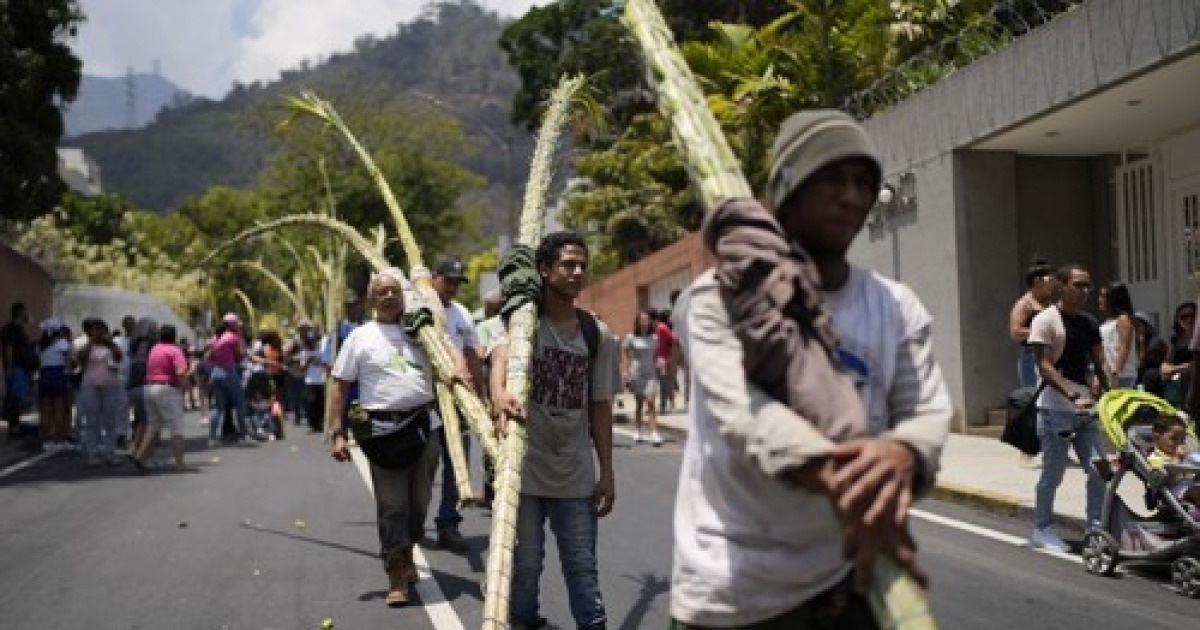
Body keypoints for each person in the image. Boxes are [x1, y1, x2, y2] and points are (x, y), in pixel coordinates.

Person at [669, 110, 951, 629]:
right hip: (733, 594)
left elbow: (926, 407)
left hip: (850, 580)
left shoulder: (895, 305)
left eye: (864, 182)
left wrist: (903, 451)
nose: (852, 196)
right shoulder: (716, 300)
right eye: (832, 178)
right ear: (786, 189)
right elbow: (743, 415)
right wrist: (848, 480)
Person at [491, 231, 619, 630]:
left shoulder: (597, 335)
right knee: (526, 566)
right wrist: (497, 394)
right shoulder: (524, 320)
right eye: (567, 264)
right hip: (524, 471)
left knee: (582, 567)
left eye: (582, 265)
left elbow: (600, 408)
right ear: (544, 270)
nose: (577, 272)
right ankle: (524, 621)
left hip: (575, 475)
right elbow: (500, 357)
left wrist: (607, 472)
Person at [328, 268, 440, 608]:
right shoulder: (360, 337)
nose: (389, 296)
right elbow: (340, 384)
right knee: (393, 506)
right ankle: (395, 573)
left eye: (395, 291)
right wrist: (337, 432)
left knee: (419, 504)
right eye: (382, 292)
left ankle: (406, 551)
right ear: (372, 300)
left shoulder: (422, 332)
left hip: (423, 427)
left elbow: (449, 362)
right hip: (381, 433)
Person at [1028, 263, 1112, 552]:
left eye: (1088, 285)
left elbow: (1100, 363)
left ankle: (1096, 529)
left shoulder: (1089, 322)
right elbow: (1043, 365)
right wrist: (1072, 395)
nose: (1084, 291)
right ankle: (1043, 528)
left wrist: (1111, 396)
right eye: (1078, 285)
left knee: (1100, 469)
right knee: (1054, 474)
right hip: (1055, 410)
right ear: (1061, 286)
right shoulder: (1045, 320)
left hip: (1085, 410)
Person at [429, 257, 482, 553]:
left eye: (457, 284)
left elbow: (472, 352)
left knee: (457, 462)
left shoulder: (461, 313)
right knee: (424, 465)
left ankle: (449, 523)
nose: (452, 289)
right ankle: (410, 524)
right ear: (434, 277)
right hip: (428, 398)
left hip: (458, 397)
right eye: (448, 281)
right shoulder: (419, 308)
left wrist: (480, 395)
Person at [132, 324, 192, 471]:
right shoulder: (175, 350)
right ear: (174, 336)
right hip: (167, 389)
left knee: (153, 426)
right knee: (176, 428)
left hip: (149, 387)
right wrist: (187, 387)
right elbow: (180, 372)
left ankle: (140, 457)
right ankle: (180, 463)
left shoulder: (155, 349)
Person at [76, 320, 125, 466]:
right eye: (95, 330)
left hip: (111, 385)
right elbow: (80, 358)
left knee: (110, 420)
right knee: (92, 420)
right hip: (90, 384)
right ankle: (92, 453)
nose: (98, 333)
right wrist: (91, 342)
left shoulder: (111, 346)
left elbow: (119, 357)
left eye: (101, 330)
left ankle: (110, 452)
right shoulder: (86, 346)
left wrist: (109, 343)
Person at [1008, 256, 1056, 388]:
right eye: (1050, 280)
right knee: (1033, 394)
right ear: (1038, 280)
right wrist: (1042, 332)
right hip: (1032, 355)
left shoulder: (1049, 303)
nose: (1053, 284)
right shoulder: (1024, 304)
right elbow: (1015, 332)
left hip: (1051, 354)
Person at [207, 314, 251, 447]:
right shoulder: (232, 337)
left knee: (218, 407)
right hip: (229, 372)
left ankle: (212, 438)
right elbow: (239, 355)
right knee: (239, 404)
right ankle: (243, 435)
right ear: (231, 324)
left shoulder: (215, 338)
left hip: (216, 373)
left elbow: (209, 356)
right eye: (236, 323)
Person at [623, 309, 663, 445]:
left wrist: (660, 363)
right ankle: (638, 430)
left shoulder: (655, 337)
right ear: (638, 322)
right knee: (639, 404)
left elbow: (657, 355)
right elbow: (627, 357)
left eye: (647, 319)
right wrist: (626, 374)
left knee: (651, 402)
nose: (645, 322)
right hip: (637, 372)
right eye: (642, 320)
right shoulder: (631, 337)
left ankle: (654, 432)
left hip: (651, 372)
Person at [2, 302, 38, 438]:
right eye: (25, 312)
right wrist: (10, 366)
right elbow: (9, 348)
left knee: (18, 395)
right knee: (15, 396)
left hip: (22, 367)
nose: (27, 315)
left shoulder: (19, 329)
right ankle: (13, 426)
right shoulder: (10, 328)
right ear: (20, 312)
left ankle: (15, 424)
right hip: (16, 367)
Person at [36, 319, 73, 451]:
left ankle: (46, 440)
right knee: (59, 409)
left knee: (45, 410)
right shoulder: (63, 343)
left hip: (44, 376)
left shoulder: (40, 345)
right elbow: (68, 361)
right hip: (58, 375)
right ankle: (59, 440)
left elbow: (39, 363)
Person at [1097, 281, 1138, 389]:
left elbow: (1124, 347)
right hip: (1108, 374)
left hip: (1122, 375)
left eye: (1103, 296)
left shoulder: (1123, 319)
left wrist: (1116, 373)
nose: (1100, 300)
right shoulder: (1109, 320)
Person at [1152, 303, 1195, 405]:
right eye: (1184, 317)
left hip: (1193, 372)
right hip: (1177, 373)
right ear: (1178, 321)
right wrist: (1179, 368)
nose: (1189, 320)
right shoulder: (1175, 340)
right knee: (1150, 375)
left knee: (1187, 374)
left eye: (1192, 316)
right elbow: (1166, 367)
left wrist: (1178, 369)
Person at [298, 322, 328, 434]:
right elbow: (302, 368)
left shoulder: (321, 349)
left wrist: (320, 361)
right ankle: (313, 424)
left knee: (320, 403)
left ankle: (319, 424)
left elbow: (326, 362)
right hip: (310, 381)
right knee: (311, 404)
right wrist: (309, 361)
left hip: (321, 380)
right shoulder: (304, 352)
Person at [655, 309, 679, 413]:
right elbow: (674, 339)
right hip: (663, 359)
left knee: (663, 383)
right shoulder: (663, 327)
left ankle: (664, 404)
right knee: (667, 382)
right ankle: (667, 405)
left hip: (658, 358)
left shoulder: (657, 327)